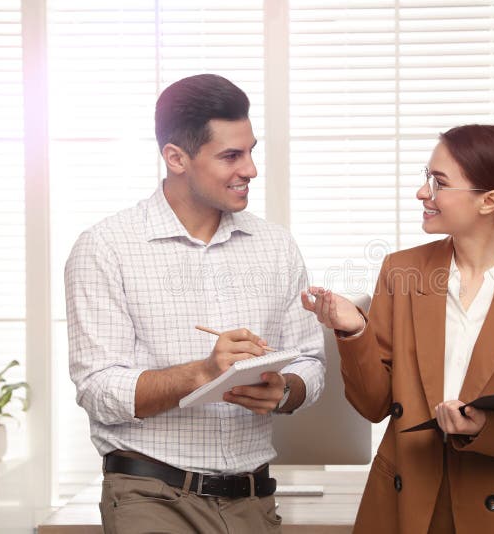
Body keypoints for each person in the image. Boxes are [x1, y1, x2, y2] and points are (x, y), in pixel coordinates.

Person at [65, 74, 324, 534]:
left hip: (252, 500)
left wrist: (284, 389)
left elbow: (311, 362)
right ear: (175, 158)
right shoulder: (106, 247)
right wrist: (203, 372)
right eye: (231, 156)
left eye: (251, 151)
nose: (250, 170)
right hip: (151, 497)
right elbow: (98, 391)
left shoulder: (277, 247)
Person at [302, 124, 494, 534]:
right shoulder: (401, 271)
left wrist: (480, 425)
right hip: (402, 501)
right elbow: (374, 405)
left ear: (489, 201)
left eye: (439, 182)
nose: (422, 193)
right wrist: (354, 331)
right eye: (426, 177)